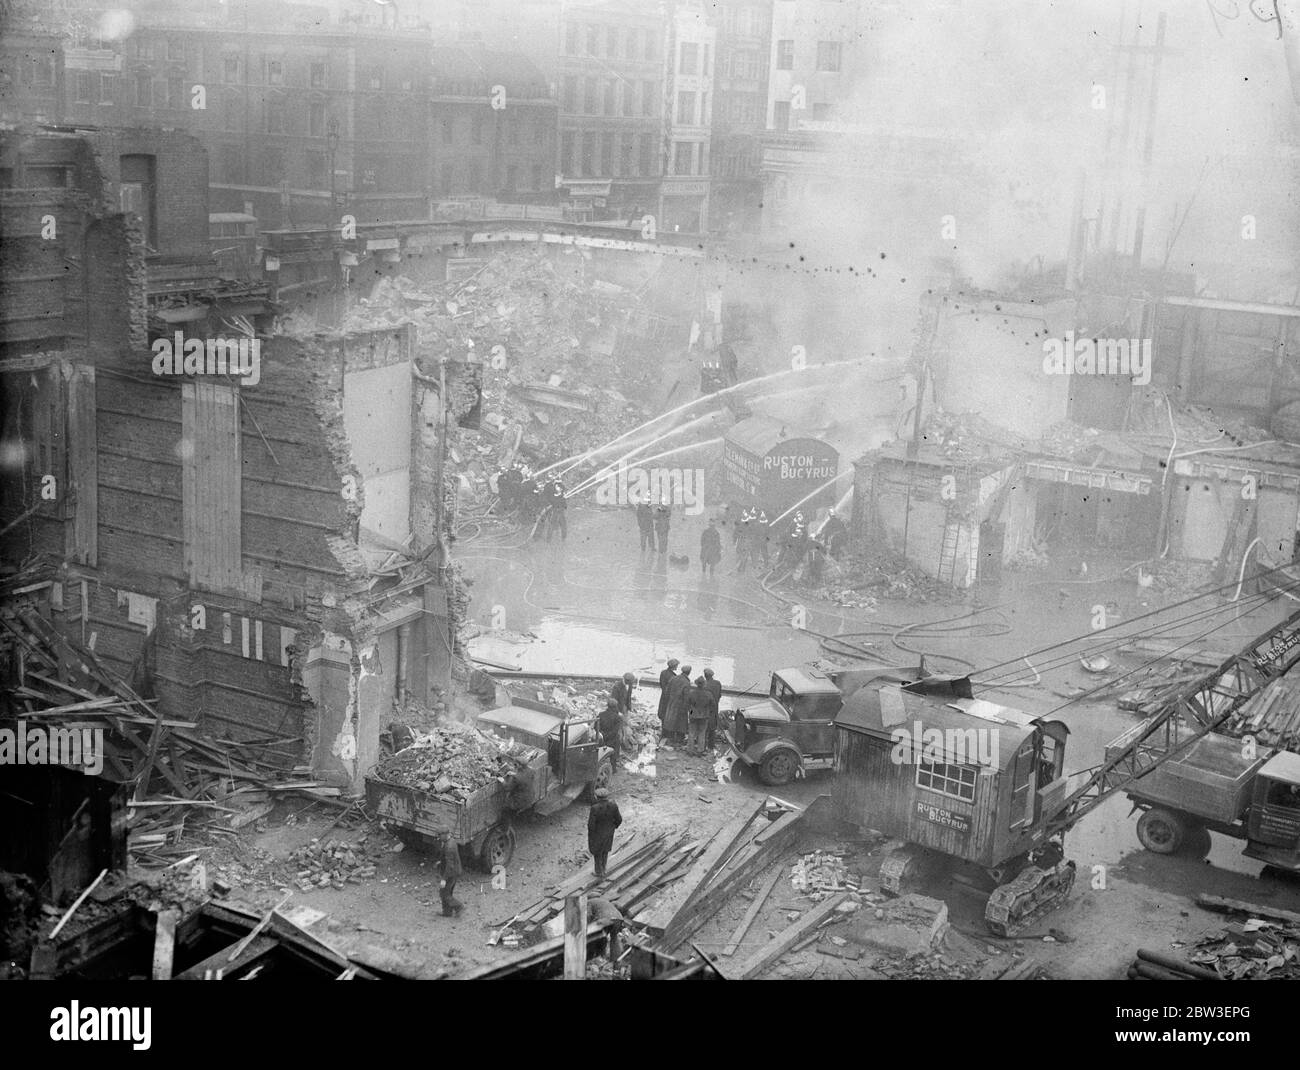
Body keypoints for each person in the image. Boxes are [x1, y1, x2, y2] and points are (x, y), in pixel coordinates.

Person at [588, 787, 623, 879]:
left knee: (597, 853)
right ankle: (604, 869)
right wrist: (613, 827)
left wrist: (592, 836)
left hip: (598, 835)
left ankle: (598, 872)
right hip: (609, 833)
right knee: (605, 851)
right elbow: (619, 819)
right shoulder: (613, 805)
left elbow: (591, 825)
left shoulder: (594, 808)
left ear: (597, 797)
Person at [663, 663, 692, 744]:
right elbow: (686, 696)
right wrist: (687, 707)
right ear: (689, 672)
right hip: (681, 705)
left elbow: (667, 690)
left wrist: (670, 699)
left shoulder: (673, 678)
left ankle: (671, 738)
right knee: (681, 723)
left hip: (672, 703)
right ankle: (679, 739)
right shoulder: (686, 682)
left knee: (671, 720)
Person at [438, 836, 463, 917]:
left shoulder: (449, 847)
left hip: (450, 873)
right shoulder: (452, 841)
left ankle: (458, 906)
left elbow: (450, 866)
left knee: (444, 893)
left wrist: (444, 879)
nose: (439, 837)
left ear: (444, 834)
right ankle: (447, 912)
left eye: (439, 835)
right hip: (455, 871)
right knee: (448, 892)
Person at [686, 676, 712, 755]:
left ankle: (690, 750)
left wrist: (690, 713)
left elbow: (688, 704)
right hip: (704, 716)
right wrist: (708, 712)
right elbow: (712, 705)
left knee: (691, 733)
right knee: (702, 733)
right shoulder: (708, 694)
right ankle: (700, 750)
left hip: (693, 715)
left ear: (696, 684)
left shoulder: (691, 692)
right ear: (704, 684)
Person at [598, 697, 623, 770]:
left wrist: (603, 736)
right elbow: (615, 732)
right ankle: (614, 767)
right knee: (617, 739)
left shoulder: (601, 714)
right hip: (612, 740)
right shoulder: (617, 717)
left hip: (602, 740)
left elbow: (597, 728)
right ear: (615, 707)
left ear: (608, 706)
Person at [702, 667, 723, 750]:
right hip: (715, 707)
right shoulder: (718, 683)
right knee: (713, 726)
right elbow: (720, 695)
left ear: (705, 675)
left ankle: (703, 745)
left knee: (704, 727)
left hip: (706, 709)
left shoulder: (704, 684)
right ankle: (711, 745)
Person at [657, 658, 679, 728]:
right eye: (676, 665)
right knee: (668, 713)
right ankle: (666, 729)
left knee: (662, 711)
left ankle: (663, 727)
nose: (677, 667)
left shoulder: (663, 672)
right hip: (669, 697)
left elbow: (661, 684)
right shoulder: (673, 676)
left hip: (663, 695)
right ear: (674, 666)